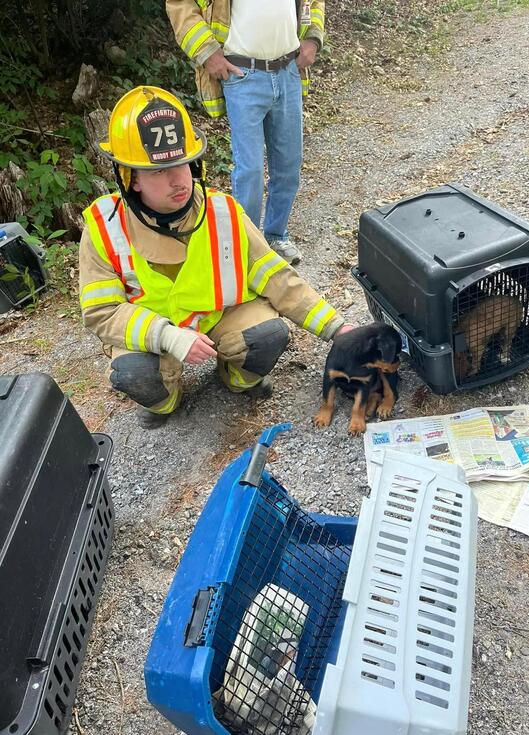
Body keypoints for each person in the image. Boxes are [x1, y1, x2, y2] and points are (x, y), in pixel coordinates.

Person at [78, 86, 350, 429]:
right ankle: (166, 399)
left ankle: (236, 378)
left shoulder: (222, 213)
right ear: (132, 179)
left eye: (183, 164)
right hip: (153, 339)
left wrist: (337, 329)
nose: (179, 179)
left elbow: (277, 278)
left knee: (268, 336)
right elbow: (102, 312)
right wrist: (169, 337)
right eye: (160, 171)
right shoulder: (104, 227)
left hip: (219, 320)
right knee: (135, 374)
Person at [166, 0, 325, 266]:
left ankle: (275, 236)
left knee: (288, 165)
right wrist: (208, 52)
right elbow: (179, 5)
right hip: (242, 75)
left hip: (289, 70)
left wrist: (312, 39)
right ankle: (247, 249)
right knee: (249, 170)